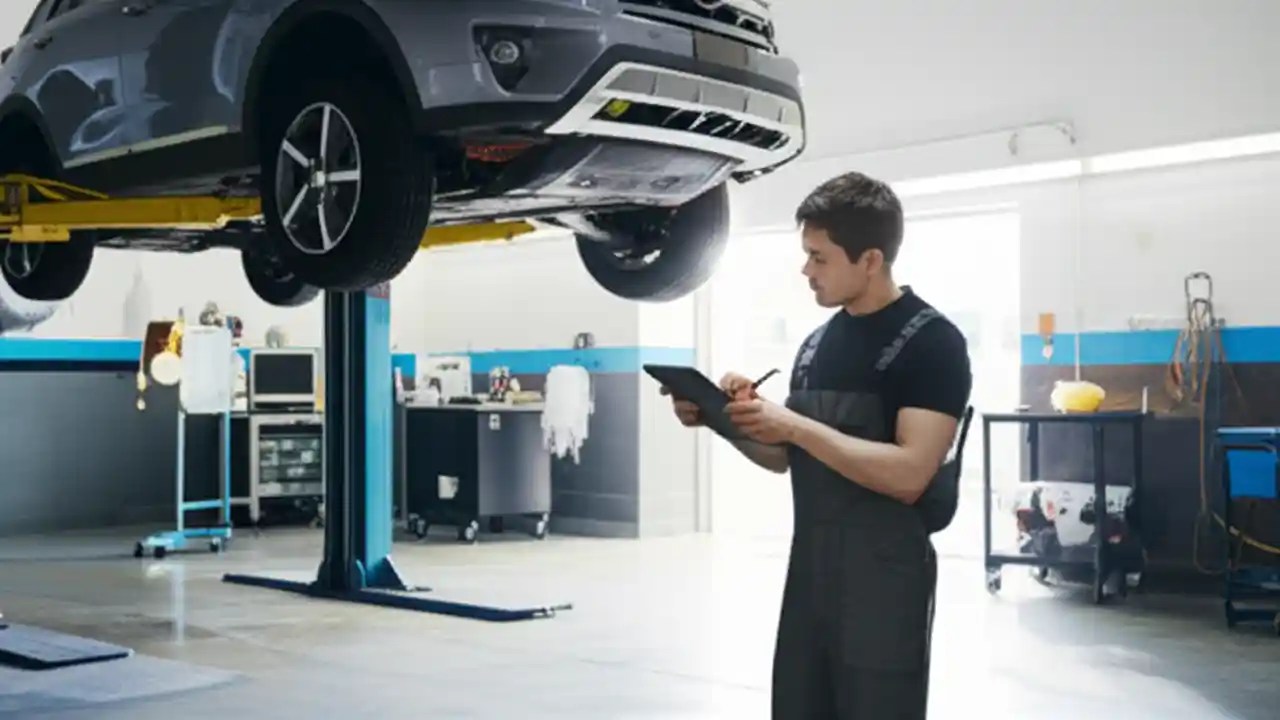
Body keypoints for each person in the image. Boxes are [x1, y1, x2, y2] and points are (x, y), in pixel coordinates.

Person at [663, 171, 972, 719]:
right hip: (811, 576)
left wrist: (793, 425)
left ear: (870, 260)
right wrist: (722, 417)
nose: (806, 270)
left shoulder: (933, 344)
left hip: (884, 585)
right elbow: (786, 458)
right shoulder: (816, 346)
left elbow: (909, 475)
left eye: (819, 257)